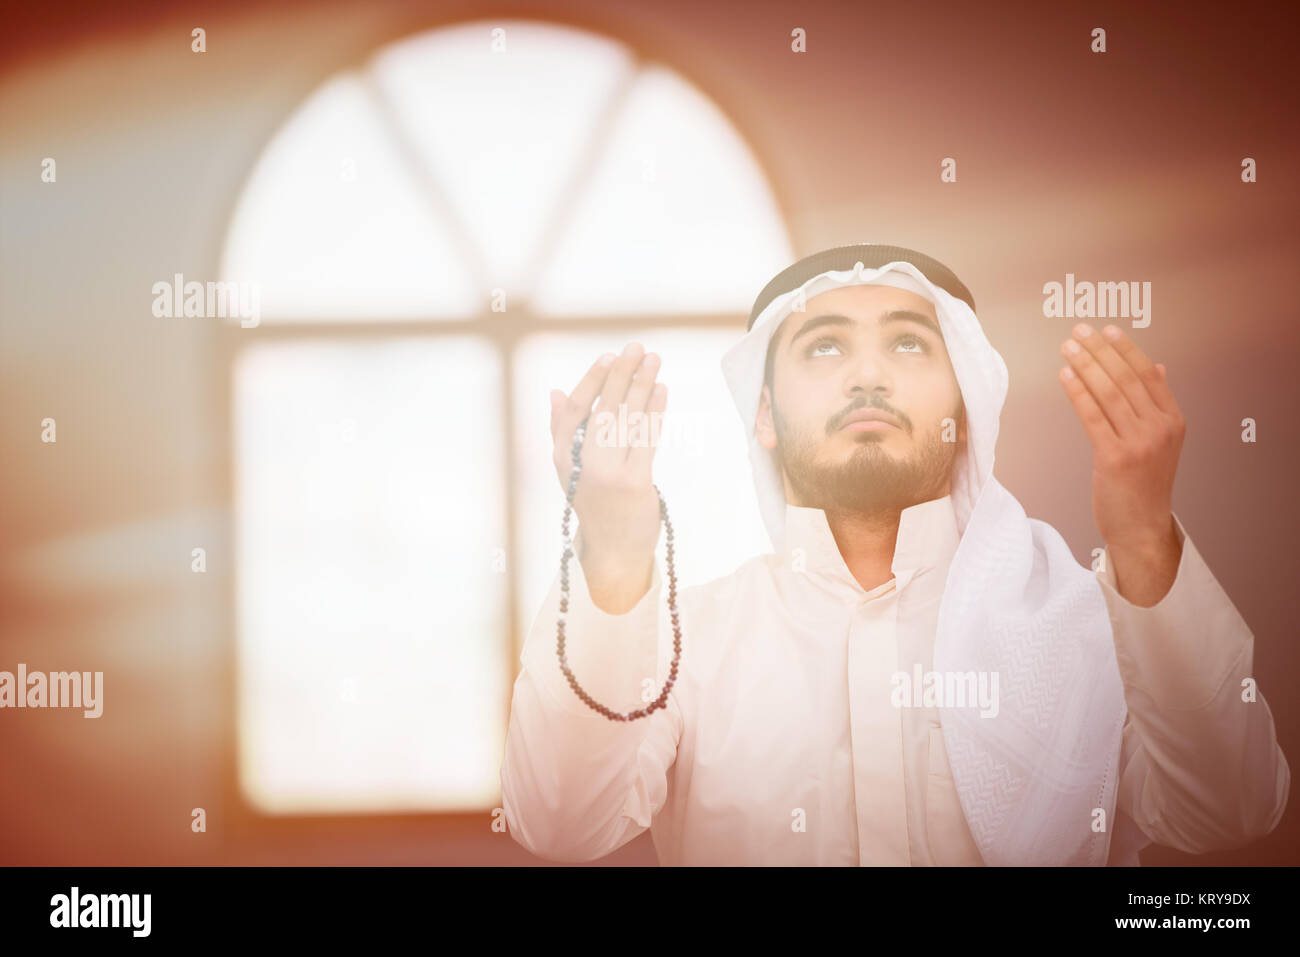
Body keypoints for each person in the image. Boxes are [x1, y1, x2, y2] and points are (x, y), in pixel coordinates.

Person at [499, 244, 1290, 865]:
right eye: (823, 348)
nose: (868, 374)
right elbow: (563, 821)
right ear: (765, 417)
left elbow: (1230, 814)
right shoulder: (686, 642)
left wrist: (1146, 535)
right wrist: (613, 547)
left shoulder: (1096, 623)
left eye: (910, 345)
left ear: (966, 406)